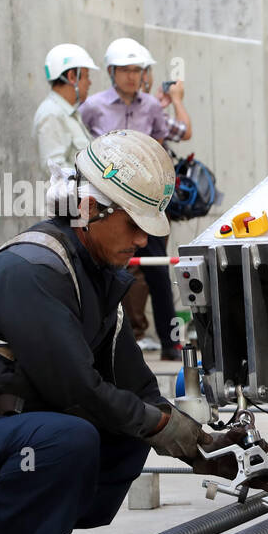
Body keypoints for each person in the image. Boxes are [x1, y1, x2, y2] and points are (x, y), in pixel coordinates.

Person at [0, 130, 268, 534]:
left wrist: (200, 444)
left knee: (130, 430)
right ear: (88, 209)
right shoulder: (34, 271)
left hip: (11, 429)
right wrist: (162, 427)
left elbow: (137, 389)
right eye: (134, 225)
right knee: (75, 435)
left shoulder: (97, 277)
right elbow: (75, 388)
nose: (142, 240)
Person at [79, 37, 193, 360]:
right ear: (111, 72)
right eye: (124, 70)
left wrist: (176, 100)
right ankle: (108, 343)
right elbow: (80, 145)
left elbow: (179, 133)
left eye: (137, 70)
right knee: (105, 267)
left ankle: (171, 344)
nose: (131, 76)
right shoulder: (92, 107)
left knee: (157, 269)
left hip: (145, 199)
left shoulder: (152, 107)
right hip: (106, 201)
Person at [32, 43, 99, 177]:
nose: (89, 82)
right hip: (68, 198)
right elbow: (55, 171)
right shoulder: (51, 114)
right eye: (86, 76)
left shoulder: (70, 113)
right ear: (72, 77)